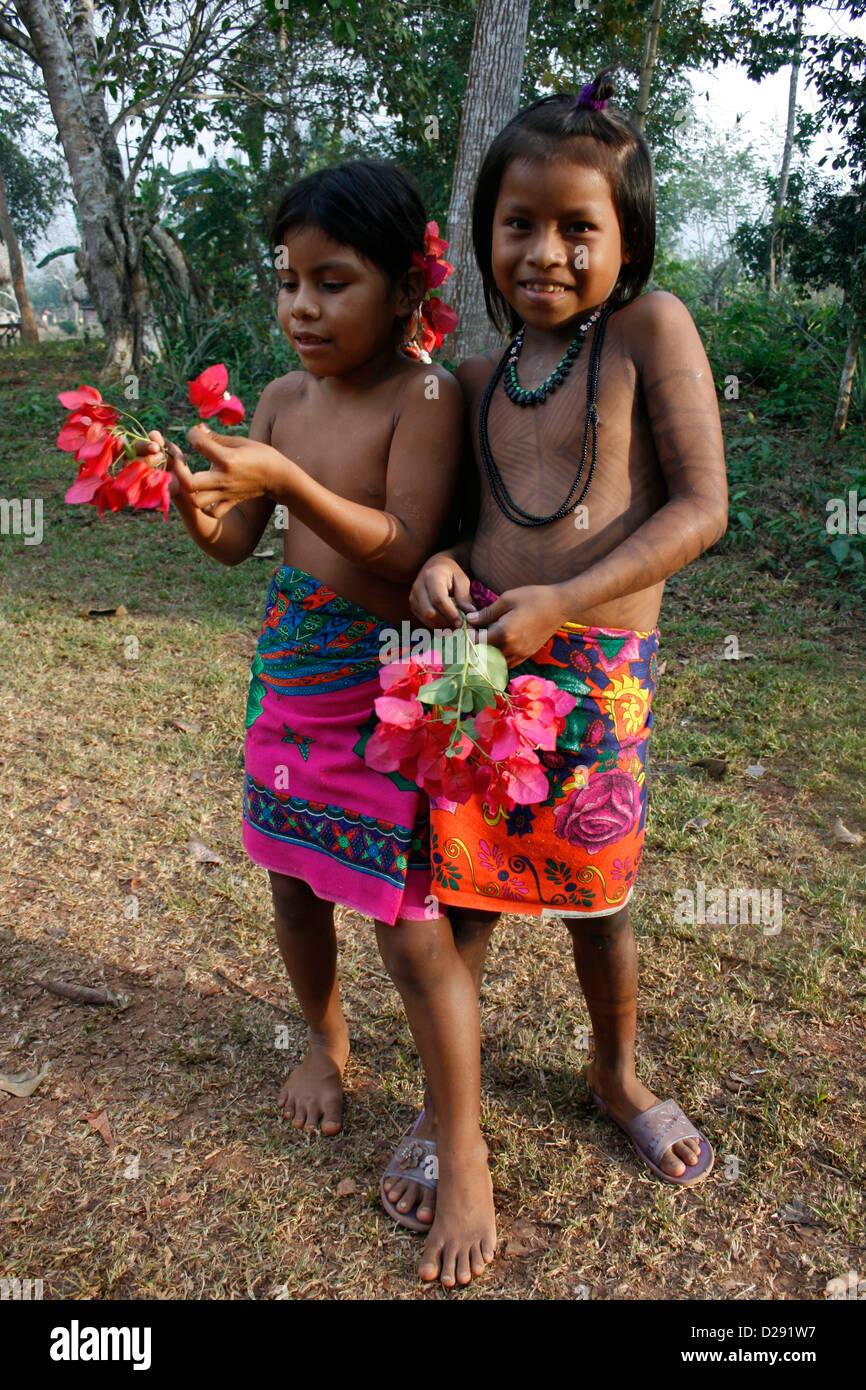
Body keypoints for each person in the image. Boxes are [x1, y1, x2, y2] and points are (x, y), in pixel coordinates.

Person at [137, 160, 496, 1288]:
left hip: (387, 690)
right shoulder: (283, 401)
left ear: (404, 289)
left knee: (408, 926)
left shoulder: (425, 395)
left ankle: (464, 1148)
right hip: (290, 677)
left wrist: (288, 481)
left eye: (332, 281)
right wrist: (194, 504)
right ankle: (324, 1038)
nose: (299, 306)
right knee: (289, 880)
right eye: (287, 281)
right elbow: (242, 547)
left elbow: (399, 547)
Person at [393, 71, 728, 1225]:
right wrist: (435, 567)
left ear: (624, 239)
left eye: (575, 226)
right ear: (483, 234)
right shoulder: (472, 380)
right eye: (516, 224)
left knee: (597, 895)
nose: (542, 250)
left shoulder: (648, 330)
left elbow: (698, 510)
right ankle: (451, 1107)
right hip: (478, 672)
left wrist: (567, 599)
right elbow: (436, 527)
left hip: (590, 675)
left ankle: (612, 1070)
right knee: (460, 891)